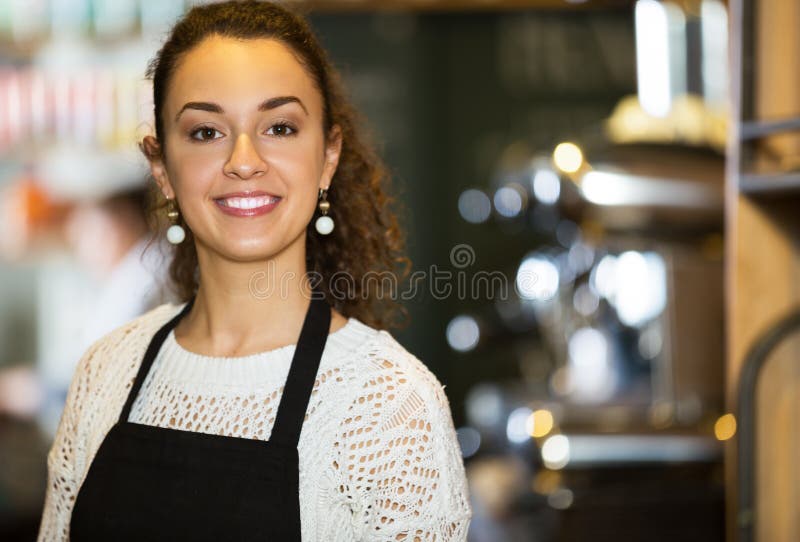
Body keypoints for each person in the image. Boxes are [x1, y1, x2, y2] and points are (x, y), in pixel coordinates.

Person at [36, 2, 472, 541]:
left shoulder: (388, 407)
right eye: (206, 132)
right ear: (162, 168)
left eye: (280, 127)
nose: (244, 161)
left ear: (328, 158)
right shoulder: (105, 372)